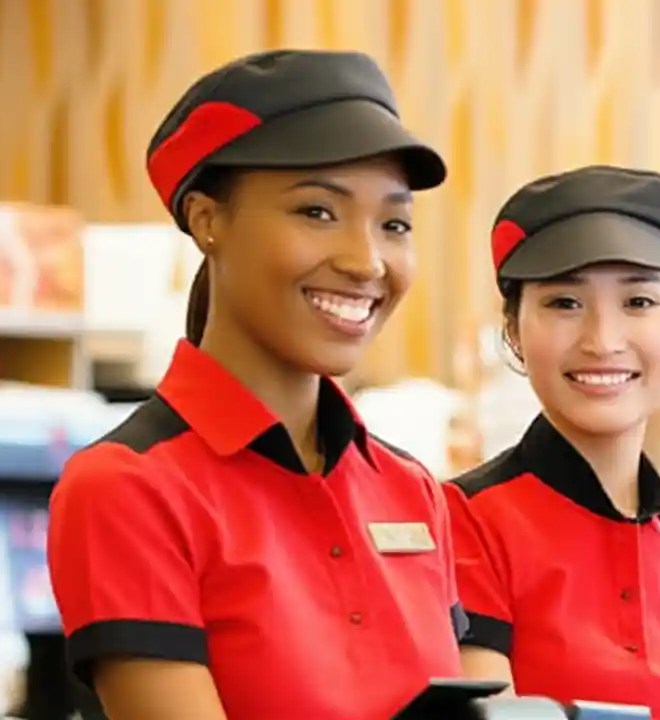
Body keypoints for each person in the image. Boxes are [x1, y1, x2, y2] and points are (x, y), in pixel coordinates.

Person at [46, 49, 465, 720]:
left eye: (394, 225)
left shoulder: (410, 489)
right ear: (208, 220)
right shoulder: (128, 488)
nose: (366, 262)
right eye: (317, 212)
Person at [445, 165, 660, 720]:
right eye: (564, 303)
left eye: (638, 302)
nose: (602, 340)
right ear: (514, 330)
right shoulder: (460, 520)